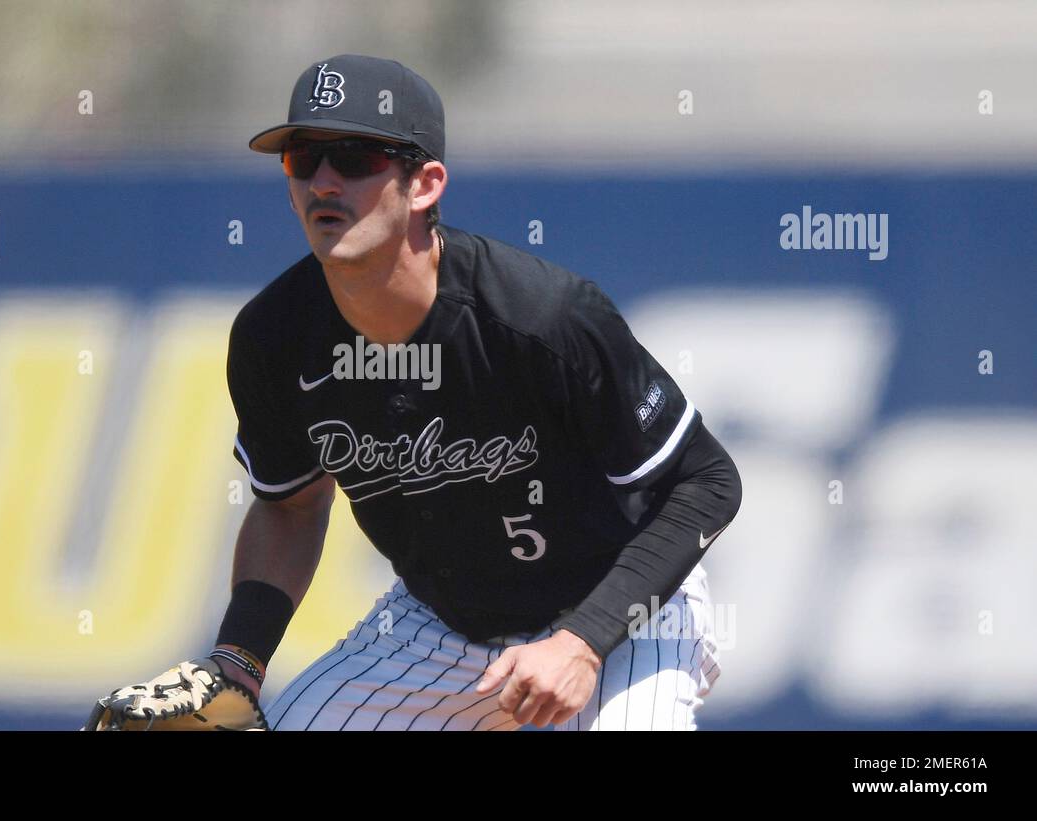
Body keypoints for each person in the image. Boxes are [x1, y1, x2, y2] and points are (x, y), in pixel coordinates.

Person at [210, 54, 742, 731]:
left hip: (623, 608)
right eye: (303, 158)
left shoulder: (541, 317)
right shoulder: (275, 337)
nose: (324, 180)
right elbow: (288, 507)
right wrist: (236, 662)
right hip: (442, 624)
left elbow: (707, 481)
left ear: (425, 183)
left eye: (354, 156)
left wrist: (581, 642)